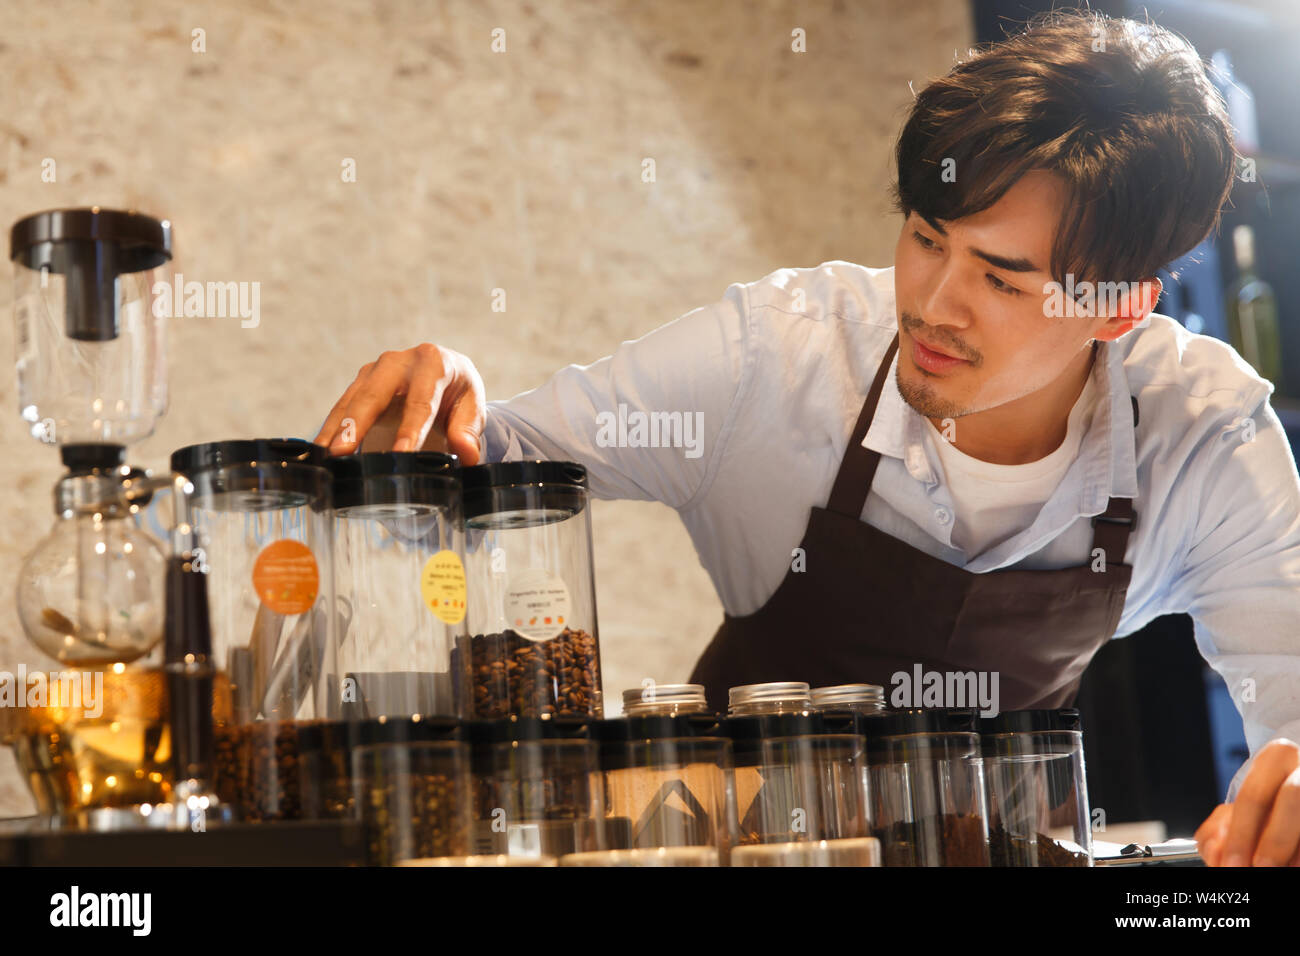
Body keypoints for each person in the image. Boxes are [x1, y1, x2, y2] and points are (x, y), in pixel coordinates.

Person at [314, 11, 1300, 866]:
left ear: (1118, 307)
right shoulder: (781, 354)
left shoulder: (1201, 437)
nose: (933, 304)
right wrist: (441, 408)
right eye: (924, 235)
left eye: (1000, 277)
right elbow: (505, 453)